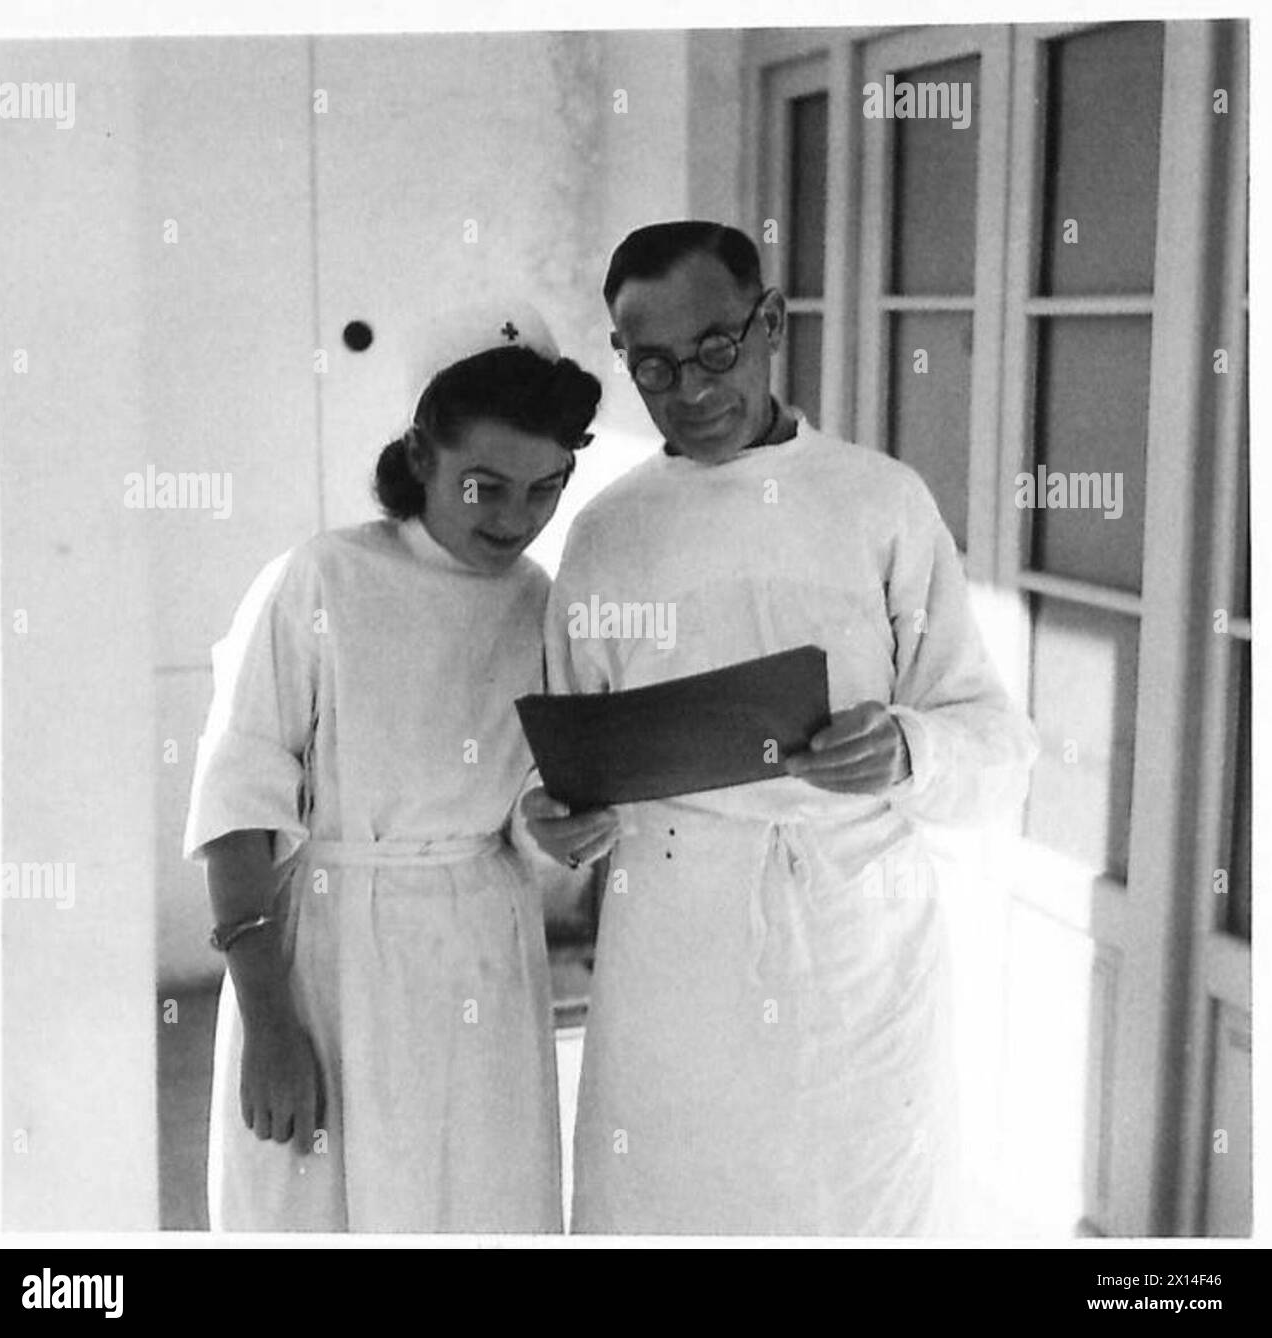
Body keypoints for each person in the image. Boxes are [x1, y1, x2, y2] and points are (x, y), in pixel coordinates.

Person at [522, 222, 1040, 1235]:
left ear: (770, 323)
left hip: (855, 940)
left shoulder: (879, 502)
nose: (690, 388)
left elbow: (996, 749)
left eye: (715, 348)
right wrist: (553, 819)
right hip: (676, 939)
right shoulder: (607, 535)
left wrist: (905, 748)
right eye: (654, 365)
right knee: (673, 1201)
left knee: (854, 1205)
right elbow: (563, 760)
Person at [183, 301, 601, 1232]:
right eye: (484, 486)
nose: (514, 519)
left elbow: (524, 793)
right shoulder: (319, 580)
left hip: (483, 953)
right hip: (329, 958)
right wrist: (269, 1028)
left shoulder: (539, 602)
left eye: (545, 490)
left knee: (475, 1203)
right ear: (421, 456)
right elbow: (235, 810)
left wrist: (556, 821)